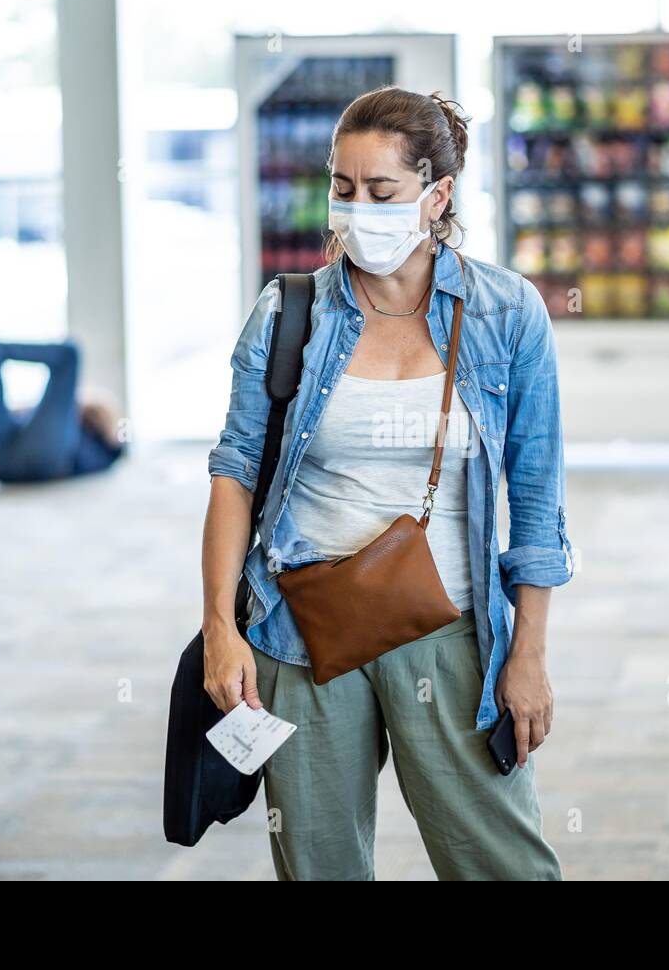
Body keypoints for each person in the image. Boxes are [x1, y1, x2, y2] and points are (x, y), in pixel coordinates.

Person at [201, 86, 575, 881]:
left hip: (450, 632)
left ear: (437, 196)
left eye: (382, 192)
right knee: (320, 865)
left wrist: (529, 652)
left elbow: (538, 501)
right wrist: (219, 627)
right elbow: (235, 472)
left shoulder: (507, 314)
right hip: (303, 633)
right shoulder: (289, 314)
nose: (356, 209)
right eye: (343, 188)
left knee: (502, 864)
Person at [0, 310, 125, 496]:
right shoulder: (53, 418)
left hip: (45, 462)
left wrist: (104, 418)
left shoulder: (98, 445)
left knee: (70, 353)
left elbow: (119, 442)